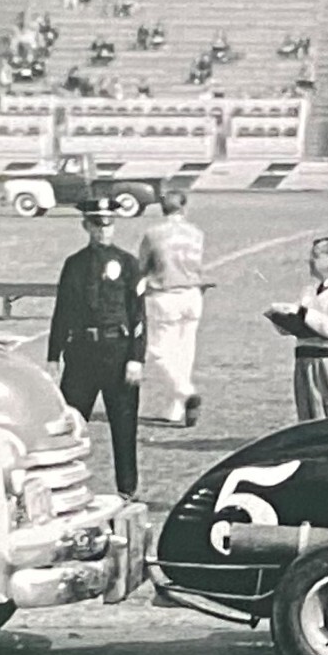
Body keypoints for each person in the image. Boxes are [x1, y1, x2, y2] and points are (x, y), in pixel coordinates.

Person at [46, 199, 147, 499]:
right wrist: (53, 355)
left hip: (117, 350)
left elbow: (138, 314)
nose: (104, 231)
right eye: (97, 225)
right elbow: (61, 311)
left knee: (124, 425)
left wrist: (136, 358)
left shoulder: (128, 263)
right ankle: (63, 485)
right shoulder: (74, 264)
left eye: (109, 224)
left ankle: (127, 489)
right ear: (86, 226)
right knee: (72, 424)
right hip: (81, 355)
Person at [269, 237, 328, 421]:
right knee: (310, 417)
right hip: (306, 360)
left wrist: (303, 313)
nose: (310, 261)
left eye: (315, 256)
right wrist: (282, 319)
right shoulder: (311, 290)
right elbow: (296, 325)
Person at [137, 190, 207, 427]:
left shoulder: (153, 234)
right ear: (184, 208)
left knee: (157, 349)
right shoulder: (197, 233)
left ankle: (184, 393)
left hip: (164, 295)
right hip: (192, 294)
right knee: (184, 352)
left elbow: (142, 266)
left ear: (162, 208)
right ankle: (174, 409)